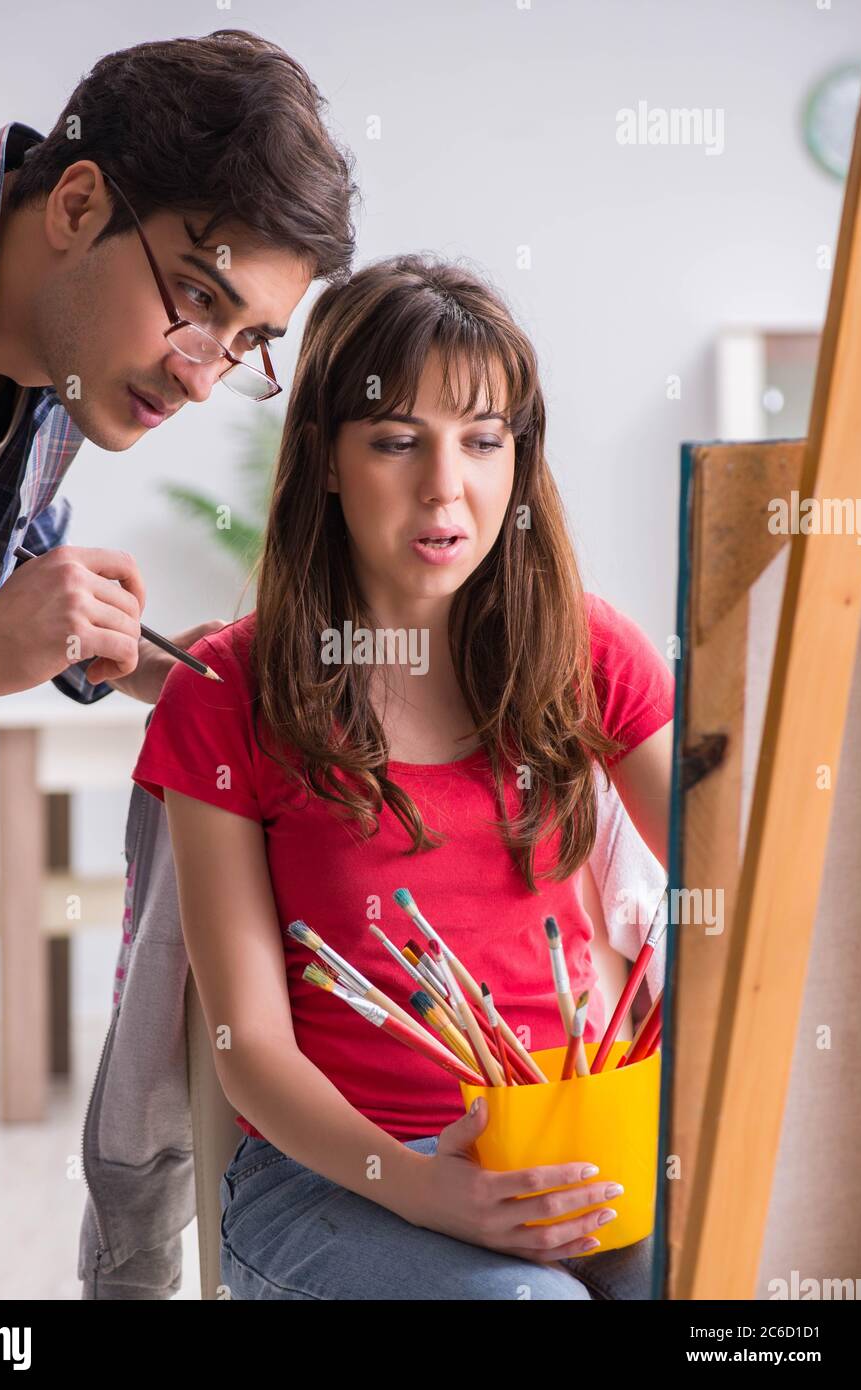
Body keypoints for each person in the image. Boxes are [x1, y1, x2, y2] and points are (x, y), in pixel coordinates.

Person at [130, 253, 675, 1300]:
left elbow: (741, 877)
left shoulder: (585, 651)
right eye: (396, 441)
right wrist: (429, 1189)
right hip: (329, 1181)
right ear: (326, 461)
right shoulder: (226, 693)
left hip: (564, 1143)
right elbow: (247, 1046)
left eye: (482, 441)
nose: (446, 486)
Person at [0, 31, 358, 944]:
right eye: (200, 301)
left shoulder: (69, 327)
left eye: (248, 339)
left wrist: (161, 664)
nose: (201, 378)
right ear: (78, 201)